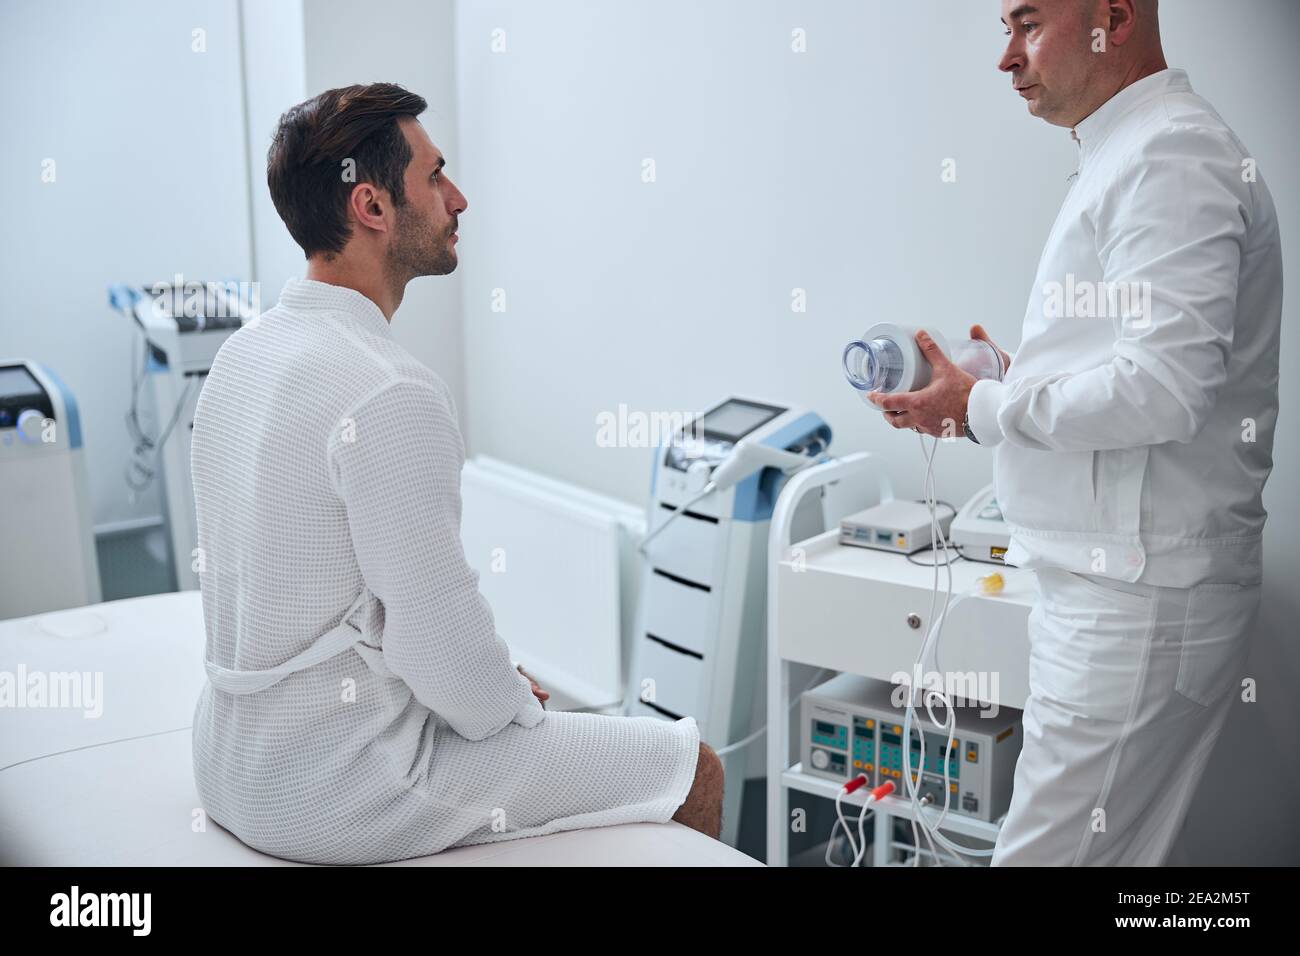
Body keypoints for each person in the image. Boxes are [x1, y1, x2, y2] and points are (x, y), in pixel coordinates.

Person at [190, 83, 722, 865]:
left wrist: (494, 681)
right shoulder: (387, 390)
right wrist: (505, 702)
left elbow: (334, 602)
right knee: (691, 766)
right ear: (371, 206)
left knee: (505, 690)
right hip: (337, 790)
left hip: (230, 764)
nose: (458, 198)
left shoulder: (243, 356)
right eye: (435, 177)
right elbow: (440, 650)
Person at [871, 0, 1281, 864]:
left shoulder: (1168, 153)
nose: (1006, 58)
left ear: (1115, 18)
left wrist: (980, 410)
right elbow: (1145, 365)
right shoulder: (1131, 151)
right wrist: (1013, 383)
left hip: (1133, 600)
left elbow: (1165, 390)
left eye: (1026, 24)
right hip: (1127, 589)